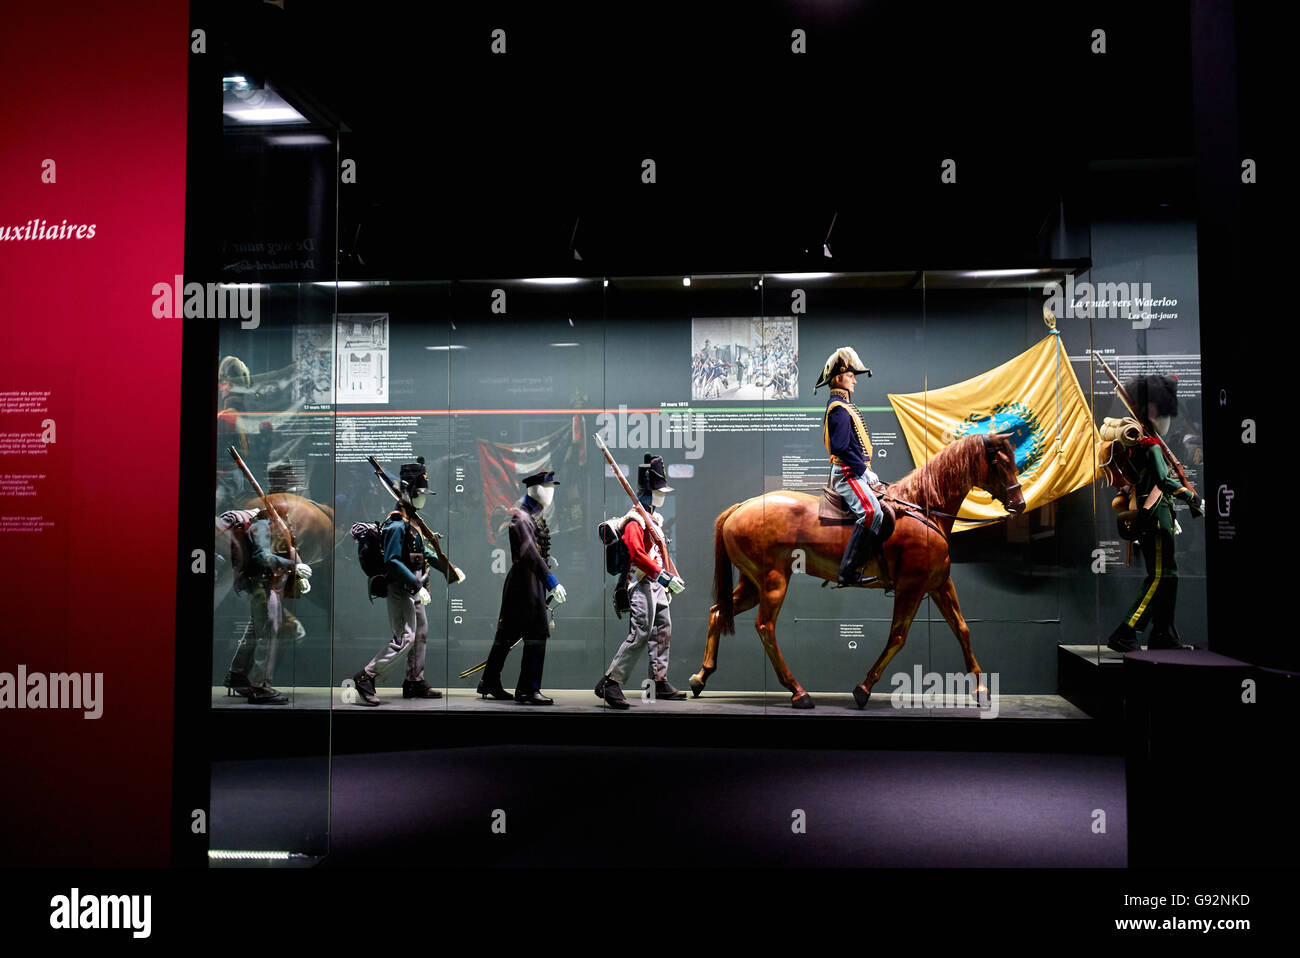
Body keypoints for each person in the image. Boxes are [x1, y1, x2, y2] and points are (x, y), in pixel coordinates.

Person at [1106, 374, 1204, 653]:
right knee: (1161, 576)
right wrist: (1192, 497)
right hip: (1154, 515)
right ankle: (1126, 630)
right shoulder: (1147, 444)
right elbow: (1163, 480)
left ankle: (1164, 632)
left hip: (1159, 514)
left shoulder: (1145, 442)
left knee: (1168, 574)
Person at [352, 458, 461, 705]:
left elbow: (424, 552)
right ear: (409, 492)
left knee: (421, 634)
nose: (424, 498)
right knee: (406, 637)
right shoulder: (396, 524)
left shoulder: (412, 521)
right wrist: (417, 584)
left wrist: (447, 569)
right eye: (419, 493)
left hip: (416, 588)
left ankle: (414, 681)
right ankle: (366, 675)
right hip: (401, 588)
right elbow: (392, 561)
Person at [594, 455, 687, 709]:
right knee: (641, 632)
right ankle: (610, 681)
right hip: (639, 581)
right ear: (650, 491)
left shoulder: (653, 519)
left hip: (657, 582)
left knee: (662, 629)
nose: (663, 495)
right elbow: (637, 554)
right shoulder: (635, 520)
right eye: (659, 491)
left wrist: (671, 575)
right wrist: (663, 576)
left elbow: (660, 552)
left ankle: (659, 680)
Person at [476, 471, 567, 705]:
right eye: (548, 487)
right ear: (535, 489)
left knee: (507, 635)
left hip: (525, 582)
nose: (551, 491)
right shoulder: (521, 518)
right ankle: (527, 690)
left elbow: (535, 551)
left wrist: (547, 564)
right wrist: (551, 580)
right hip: (526, 584)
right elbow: (529, 553)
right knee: (536, 635)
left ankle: (489, 682)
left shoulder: (530, 515)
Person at [220, 503, 313, 704]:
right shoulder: (262, 523)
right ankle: (259, 686)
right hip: (261, 584)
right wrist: (292, 565)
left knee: (256, 630)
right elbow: (261, 556)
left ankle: (237, 675)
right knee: (268, 631)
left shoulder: (263, 522)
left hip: (262, 583)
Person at [815, 346, 884, 586]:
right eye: (851, 375)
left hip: (855, 471)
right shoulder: (838, 409)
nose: (855, 379)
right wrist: (863, 470)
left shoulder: (844, 406)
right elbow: (841, 447)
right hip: (846, 474)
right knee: (872, 512)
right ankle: (848, 571)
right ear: (838, 378)